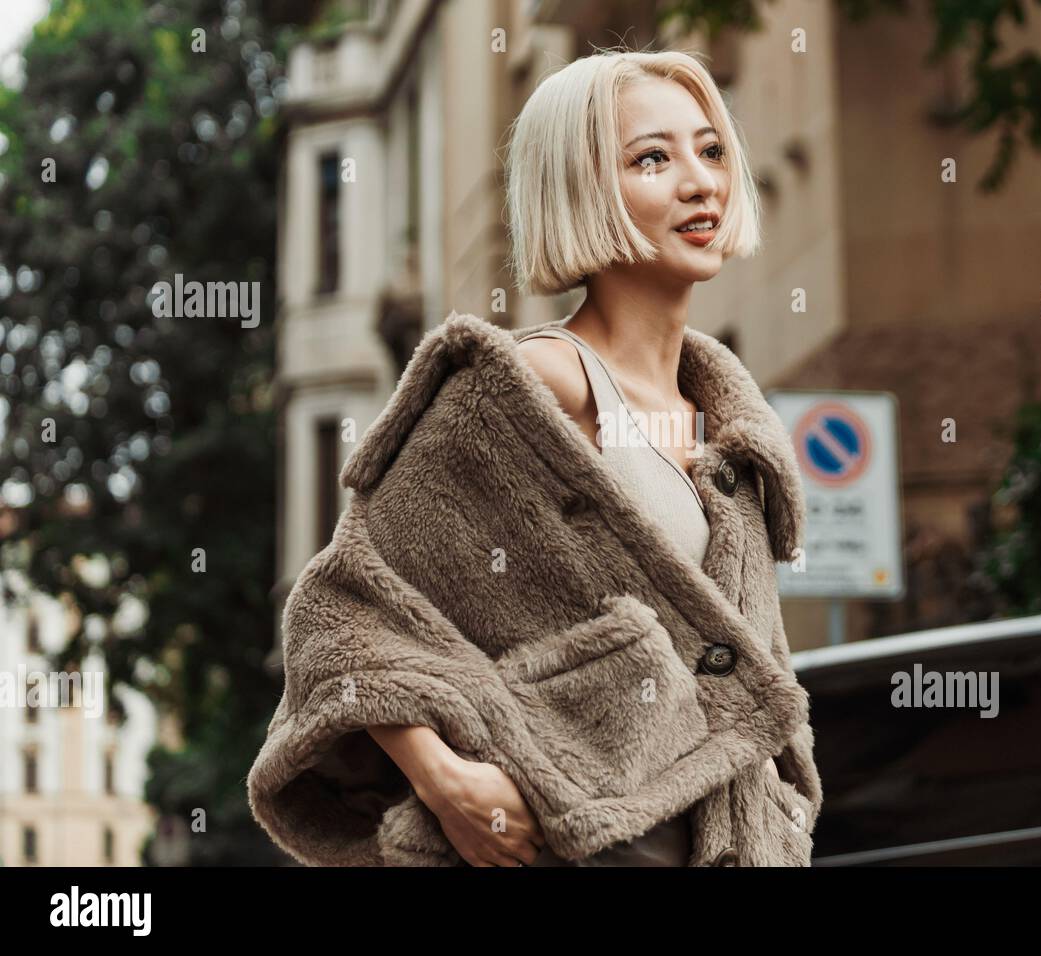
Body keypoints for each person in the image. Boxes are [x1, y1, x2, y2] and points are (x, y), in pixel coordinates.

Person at [249, 47, 821, 869]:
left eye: (712, 149)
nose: (700, 182)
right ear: (582, 187)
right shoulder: (536, 386)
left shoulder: (730, 426)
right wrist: (446, 782)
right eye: (652, 158)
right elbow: (339, 616)